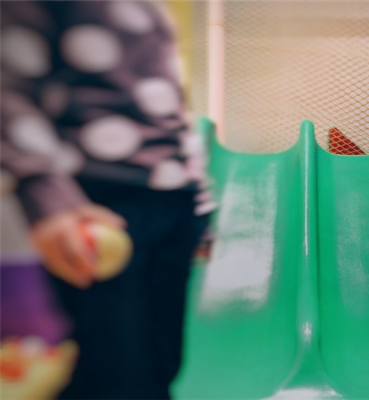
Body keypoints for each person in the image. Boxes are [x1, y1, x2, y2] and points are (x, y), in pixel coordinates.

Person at [0, 1, 215, 399]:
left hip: (172, 194)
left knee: (162, 362)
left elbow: (163, 105)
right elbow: (8, 83)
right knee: (116, 368)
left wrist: (197, 195)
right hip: (95, 194)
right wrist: (47, 192)